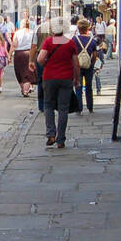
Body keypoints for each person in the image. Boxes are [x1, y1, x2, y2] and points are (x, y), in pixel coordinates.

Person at [38, 16, 81, 148]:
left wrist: (47, 64)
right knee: (63, 108)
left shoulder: (48, 42)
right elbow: (76, 64)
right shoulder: (70, 43)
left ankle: (51, 133)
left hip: (49, 77)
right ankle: (61, 139)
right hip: (66, 78)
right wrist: (77, 78)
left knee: (48, 106)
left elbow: (40, 59)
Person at [72, 18, 98, 113]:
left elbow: (71, 54)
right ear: (88, 28)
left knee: (78, 86)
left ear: (78, 28)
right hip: (88, 66)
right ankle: (90, 107)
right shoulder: (92, 40)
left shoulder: (74, 40)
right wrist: (92, 64)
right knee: (89, 86)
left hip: (77, 66)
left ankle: (79, 108)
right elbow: (95, 55)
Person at [33, 13, 53, 111]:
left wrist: (31, 60)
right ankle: (51, 103)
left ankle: (42, 106)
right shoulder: (56, 29)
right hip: (52, 56)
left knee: (41, 81)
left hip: (40, 55)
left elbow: (33, 45)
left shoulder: (38, 28)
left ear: (45, 18)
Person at [12, 17, 36, 97]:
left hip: (19, 53)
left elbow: (14, 44)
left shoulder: (17, 33)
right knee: (28, 73)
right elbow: (34, 44)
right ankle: (26, 90)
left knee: (19, 71)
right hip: (29, 52)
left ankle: (23, 89)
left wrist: (9, 54)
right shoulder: (32, 32)